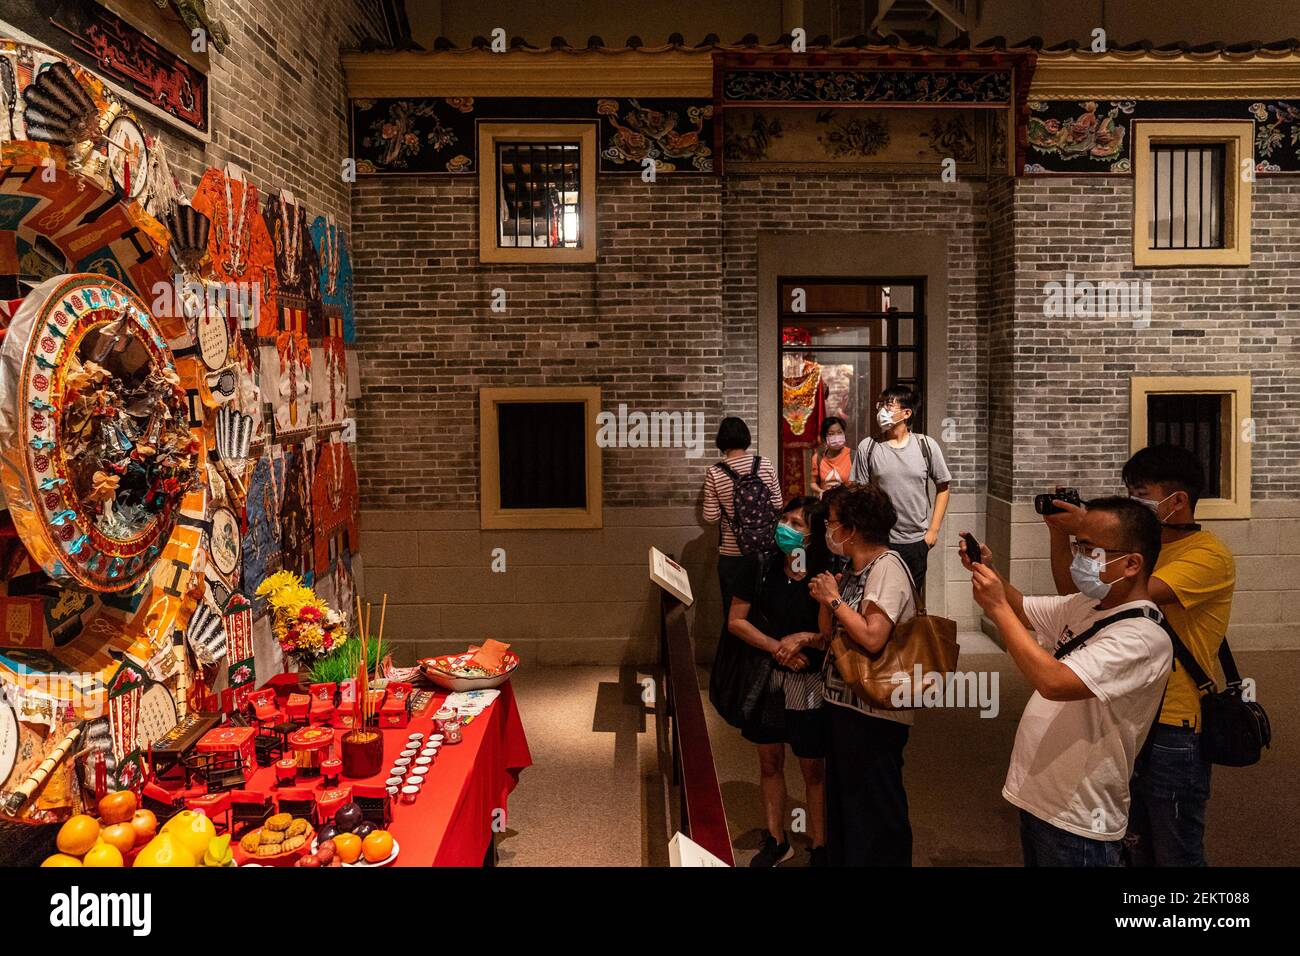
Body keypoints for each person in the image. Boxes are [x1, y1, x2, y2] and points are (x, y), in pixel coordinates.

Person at [1042, 445, 1236, 866]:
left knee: (1175, 849)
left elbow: (1142, 595)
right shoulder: (1140, 547)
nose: (1133, 501)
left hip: (1174, 723)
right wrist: (1064, 535)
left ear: (1177, 500)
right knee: (1130, 842)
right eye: (1129, 492)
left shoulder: (1208, 555)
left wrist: (1093, 527)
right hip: (1125, 711)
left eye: (1141, 494)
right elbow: (1078, 596)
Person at [961, 497, 1171, 867]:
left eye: (1090, 549)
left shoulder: (1142, 637)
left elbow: (1053, 681)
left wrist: (995, 607)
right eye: (1079, 546)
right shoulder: (1087, 605)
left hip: (1081, 815)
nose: (1080, 559)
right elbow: (1024, 610)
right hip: (1041, 799)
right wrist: (988, 571)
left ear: (1131, 564)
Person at [808, 482, 916, 866]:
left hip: (875, 710)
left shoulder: (887, 568)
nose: (828, 530)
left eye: (833, 522)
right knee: (848, 807)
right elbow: (829, 633)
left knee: (876, 810)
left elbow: (872, 637)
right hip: (844, 704)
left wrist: (835, 600)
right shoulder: (854, 568)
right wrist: (827, 601)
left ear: (851, 529)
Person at [727, 497, 833, 867]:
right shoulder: (761, 565)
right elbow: (736, 621)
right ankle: (776, 838)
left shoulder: (824, 575)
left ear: (812, 535)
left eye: (797, 524)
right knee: (769, 760)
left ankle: (820, 844)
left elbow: (832, 635)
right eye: (783, 519)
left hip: (808, 682)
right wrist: (778, 648)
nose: (785, 527)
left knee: (813, 766)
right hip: (767, 678)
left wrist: (804, 640)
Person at [849, 385, 951, 590]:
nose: (882, 410)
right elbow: (858, 493)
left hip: (915, 541)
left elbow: (943, 487)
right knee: (877, 597)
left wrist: (932, 531)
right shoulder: (868, 447)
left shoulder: (926, 445)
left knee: (910, 599)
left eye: (888, 405)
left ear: (906, 413)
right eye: (881, 405)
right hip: (879, 540)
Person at [702, 417, 784, 636]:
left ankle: (734, 657)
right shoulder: (764, 464)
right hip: (766, 550)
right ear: (746, 438)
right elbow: (778, 504)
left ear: (721, 440)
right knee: (764, 611)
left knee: (734, 617)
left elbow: (710, 516)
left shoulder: (715, 472)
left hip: (733, 554)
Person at [811, 416, 852, 497]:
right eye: (831, 434)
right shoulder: (817, 458)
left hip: (847, 502)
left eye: (839, 432)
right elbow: (813, 483)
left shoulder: (853, 456)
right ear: (824, 437)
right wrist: (821, 492)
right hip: (826, 502)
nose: (836, 436)